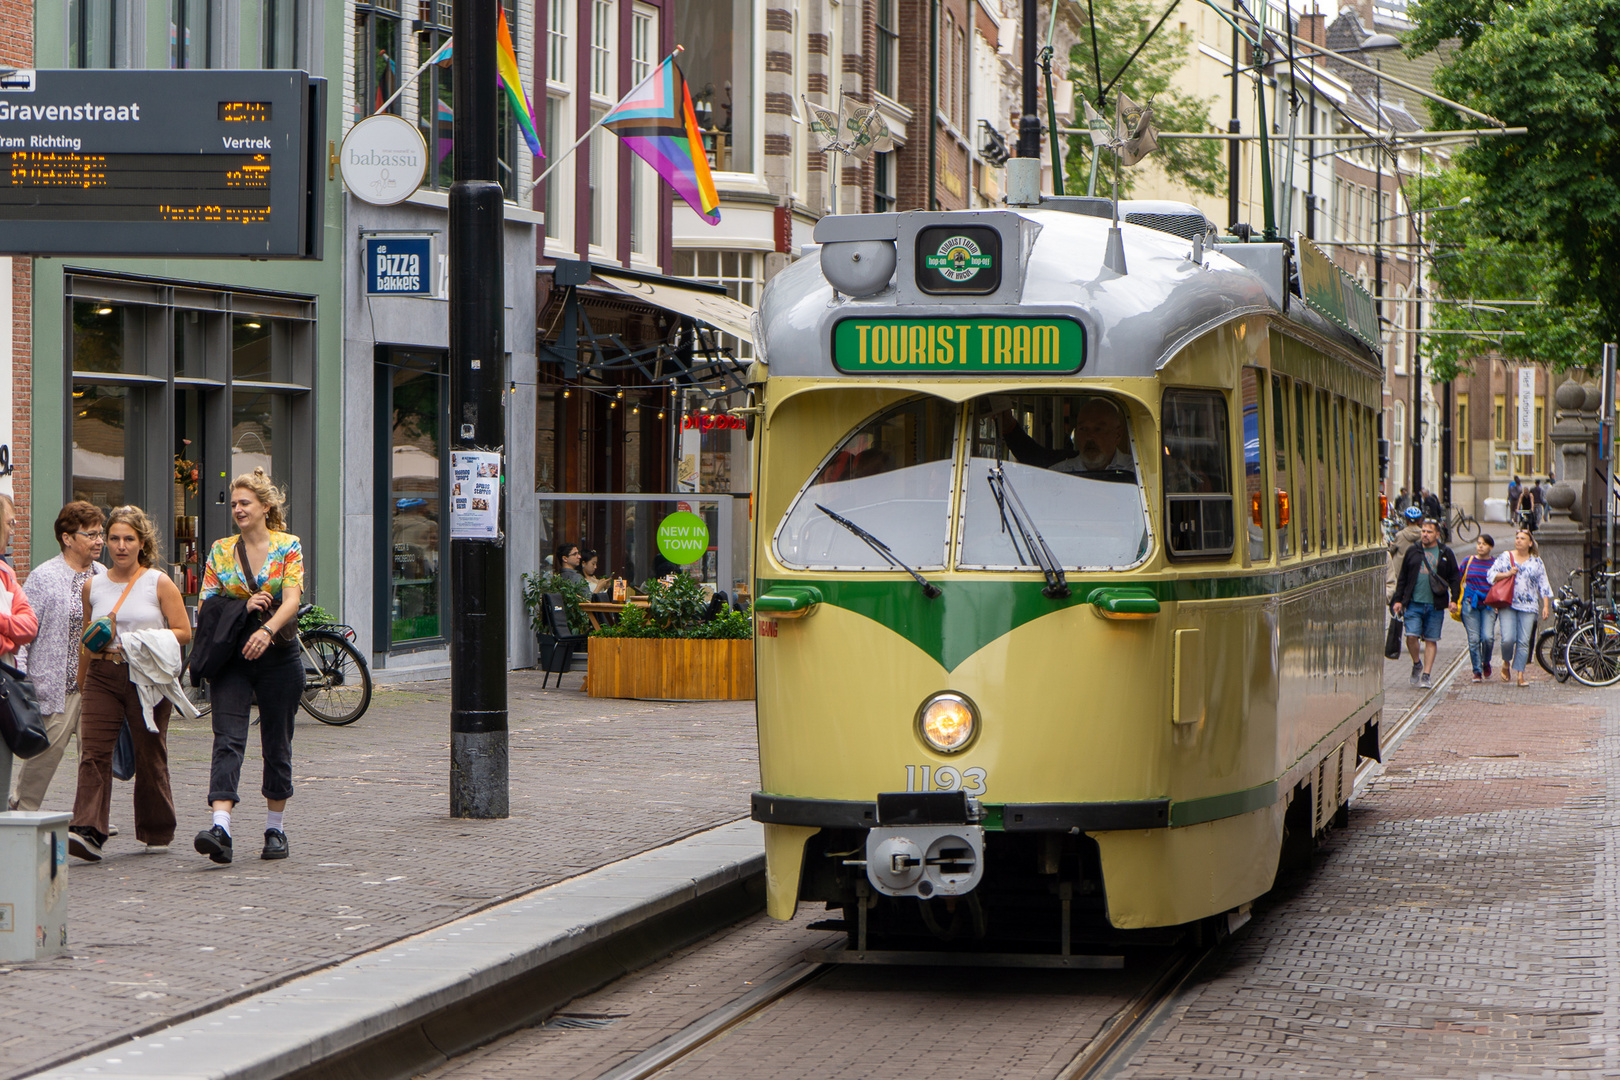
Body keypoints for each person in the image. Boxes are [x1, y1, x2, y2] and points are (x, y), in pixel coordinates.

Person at [193, 469, 305, 865]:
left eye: (245, 503)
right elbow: (207, 606)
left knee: (277, 742)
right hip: (233, 658)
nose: (238, 509)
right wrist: (243, 607)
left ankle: (275, 829)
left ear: (265, 507)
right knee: (227, 739)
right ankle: (220, 827)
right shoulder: (221, 550)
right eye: (234, 504)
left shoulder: (287, 546)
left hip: (278, 656)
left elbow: (291, 598)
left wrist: (268, 630)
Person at [67, 505, 191, 862]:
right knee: (93, 753)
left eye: (129, 539)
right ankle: (88, 830)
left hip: (146, 675)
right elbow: (89, 638)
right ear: (105, 541)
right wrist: (81, 679)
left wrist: (144, 640)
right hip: (103, 675)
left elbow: (183, 631)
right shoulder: (93, 585)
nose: (121, 546)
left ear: (141, 543)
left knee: (150, 752)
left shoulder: (158, 581)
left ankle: (156, 829)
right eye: (114, 538)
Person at [9, 502, 104, 812]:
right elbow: (23, 635)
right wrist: (20, 679)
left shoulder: (105, 576)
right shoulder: (44, 577)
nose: (99, 541)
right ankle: (24, 808)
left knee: (96, 754)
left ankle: (92, 819)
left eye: (100, 534)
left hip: (96, 683)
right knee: (45, 754)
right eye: (91, 535)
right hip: (57, 686)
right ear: (67, 538)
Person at [1391, 519, 1461, 688]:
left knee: (1431, 639)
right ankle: (1417, 663)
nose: (1425, 534)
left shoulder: (1445, 553)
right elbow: (1403, 577)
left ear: (1437, 534)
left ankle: (1426, 675)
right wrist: (1398, 599)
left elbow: (1454, 578)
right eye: (1423, 531)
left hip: (1435, 604)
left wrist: (1453, 600)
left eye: (1429, 532)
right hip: (1414, 602)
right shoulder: (1413, 551)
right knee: (1411, 636)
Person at [996, 398, 1134, 476]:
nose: (1090, 437)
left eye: (1099, 429)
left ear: (1118, 435)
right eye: (1083, 429)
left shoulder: (1137, 473)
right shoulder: (1058, 474)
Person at [1486, 529, 1553, 687]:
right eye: (1517, 538)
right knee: (1508, 639)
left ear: (1530, 543)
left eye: (1522, 538)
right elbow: (1490, 575)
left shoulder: (1536, 561)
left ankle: (1520, 675)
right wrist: (1508, 573)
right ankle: (1505, 662)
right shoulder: (1505, 556)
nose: (1518, 540)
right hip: (1508, 603)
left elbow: (1544, 584)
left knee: (1523, 641)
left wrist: (1545, 606)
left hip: (1529, 605)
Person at [1451, 533, 1497, 683]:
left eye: (1484, 544)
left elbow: (1500, 585)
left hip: (1488, 604)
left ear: (1490, 547)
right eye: (1478, 543)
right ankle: (1477, 671)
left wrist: (1498, 603)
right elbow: (1457, 579)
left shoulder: (1495, 564)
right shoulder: (1468, 561)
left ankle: (1486, 662)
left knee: (1488, 638)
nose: (1480, 546)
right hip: (1470, 603)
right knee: (1474, 639)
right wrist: (1453, 600)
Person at [0, 494, 38, 664]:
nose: (12, 532)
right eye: (9, 523)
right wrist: (11, 642)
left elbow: (30, 626)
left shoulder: (6, 572)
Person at [1385, 505, 1424, 602]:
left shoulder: (1400, 535)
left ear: (1406, 520)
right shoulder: (1424, 535)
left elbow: (1391, 551)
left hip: (1400, 571)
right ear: (1419, 521)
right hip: (1417, 570)